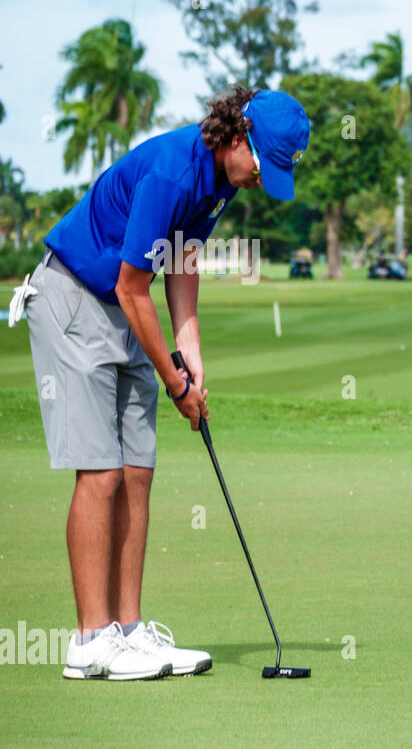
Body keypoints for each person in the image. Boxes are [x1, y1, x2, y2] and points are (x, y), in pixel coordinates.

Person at [15, 85, 310, 680]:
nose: (260, 179)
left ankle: (127, 631)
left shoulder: (220, 184)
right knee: (100, 471)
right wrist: (176, 384)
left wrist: (191, 352)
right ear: (236, 137)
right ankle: (89, 641)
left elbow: (181, 262)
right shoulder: (175, 172)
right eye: (262, 164)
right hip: (76, 299)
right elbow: (130, 286)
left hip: (125, 309)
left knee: (137, 471)